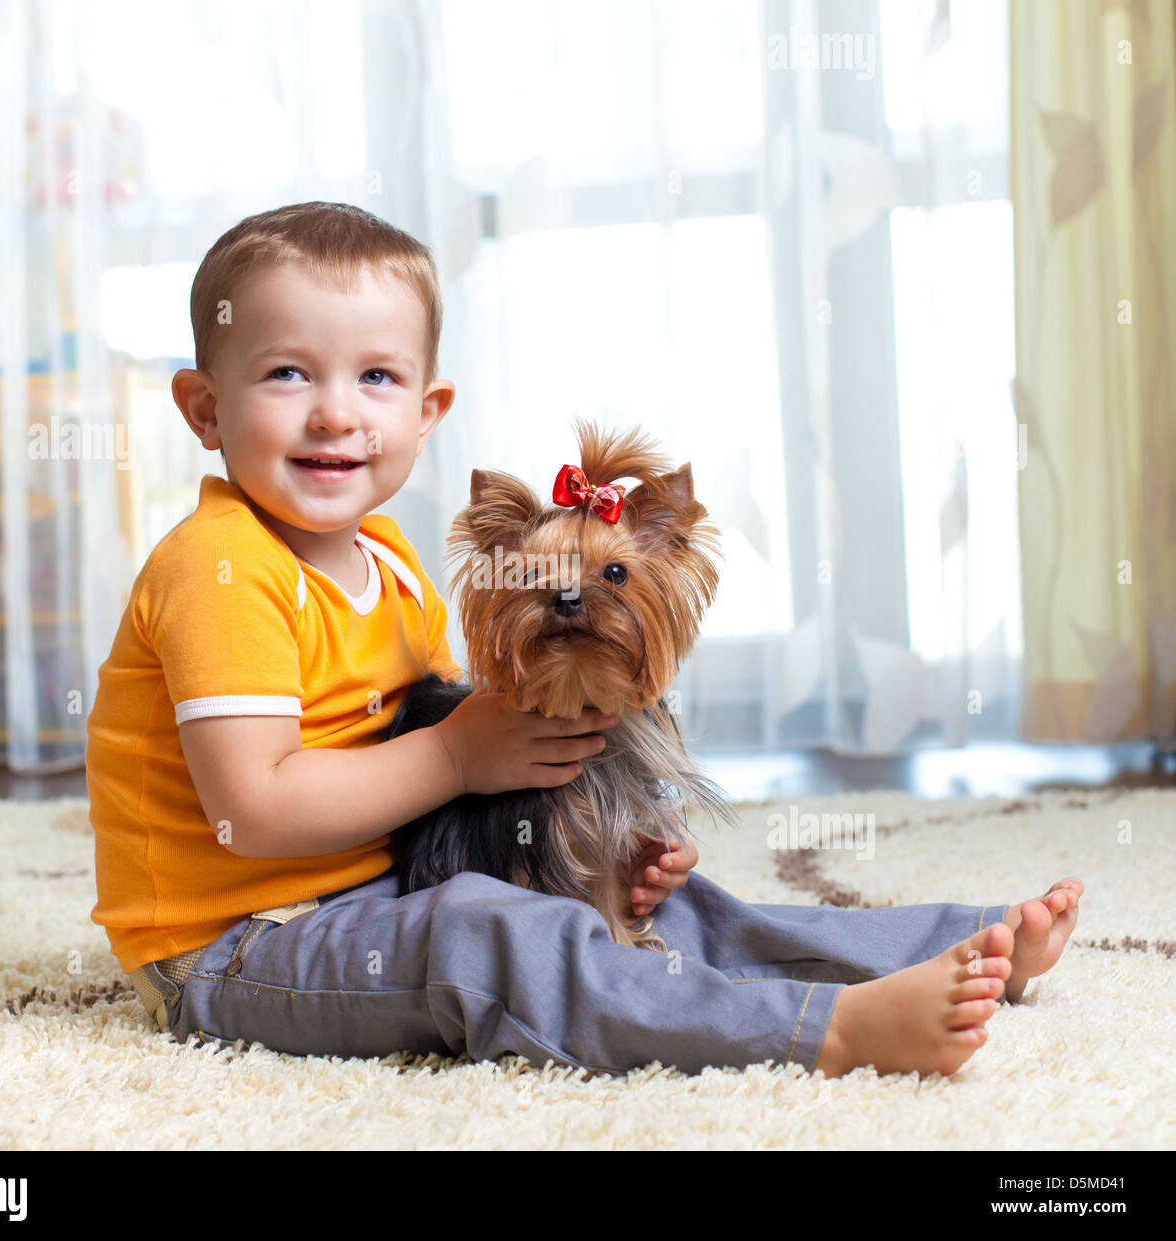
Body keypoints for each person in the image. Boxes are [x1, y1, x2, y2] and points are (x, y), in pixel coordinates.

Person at [86, 201, 1083, 1079]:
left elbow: (446, 768)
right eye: (288, 372)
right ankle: (821, 1029)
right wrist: (452, 754)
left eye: (377, 375)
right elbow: (252, 811)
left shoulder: (384, 557)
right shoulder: (219, 569)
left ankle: (958, 940)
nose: (337, 410)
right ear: (206, 409)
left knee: (679, 909)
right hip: (233, 948)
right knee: (496, 937)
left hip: (379, 882)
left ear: (428, 413)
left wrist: (611, 857)